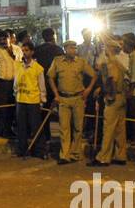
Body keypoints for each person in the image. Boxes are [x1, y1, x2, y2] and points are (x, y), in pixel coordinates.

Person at [47, 40, 95, 164]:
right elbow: (50, 77)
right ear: (65, 49)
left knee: (78, 127)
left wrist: (88, 90)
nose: (74, 50)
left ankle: (75, 153)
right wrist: (56, 94)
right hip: (63, 98)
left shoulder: (81, 62)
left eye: (75, 48)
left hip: (78, 98)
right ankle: (64, 154)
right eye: (71, 48)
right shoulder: (57, 61)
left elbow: (94, 75)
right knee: (64, 128)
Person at [93, 34, 129, 166]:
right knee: (120, 129)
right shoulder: (120, 62)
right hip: (122, 97)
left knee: (108, 128)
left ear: (111, 49)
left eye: (106, 48)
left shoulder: (111, 63)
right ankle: (121, 155)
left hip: (113, 98)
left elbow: (111, 80)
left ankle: (103, 157)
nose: (105, 50)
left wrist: (107, 94)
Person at [13, 40, 48, 158]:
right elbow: (16, 83)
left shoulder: (38, 68)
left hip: (33, 101)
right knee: (21, 127)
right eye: (23, 51)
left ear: (32, 52)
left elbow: (41, 86)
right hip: (20, 100)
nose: (24, 53)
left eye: (27, 50)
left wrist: (42, 100)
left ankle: (39, 151)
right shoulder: (18, 66)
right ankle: (22, 149)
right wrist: (16, 95)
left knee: (36, 127)